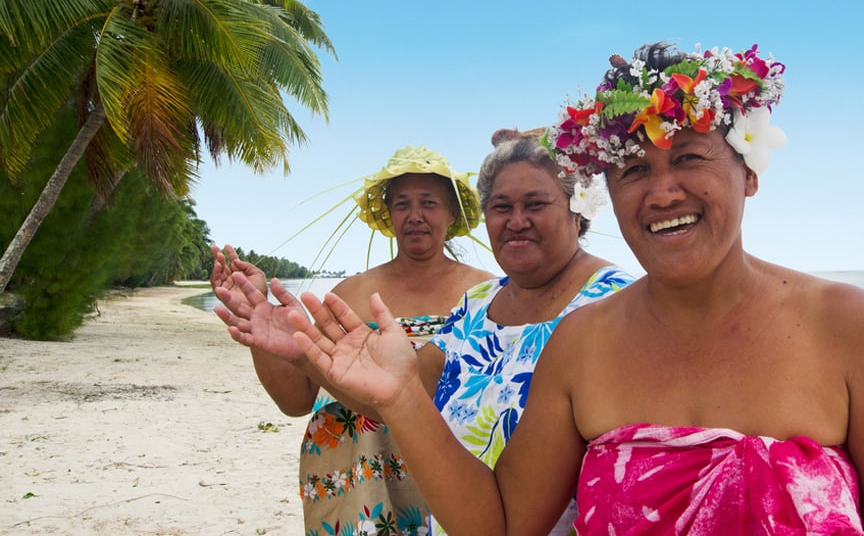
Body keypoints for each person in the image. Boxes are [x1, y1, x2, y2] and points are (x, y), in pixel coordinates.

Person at [291, 41, 864, 535]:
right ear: (607, 189)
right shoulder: (583, 344)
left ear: (748, 171)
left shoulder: (851, 330)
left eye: (689, 156)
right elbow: (501, 525)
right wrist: (403, 397)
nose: (662, 192)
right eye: (633, 169)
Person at [219, 132, 635, 535]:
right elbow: (404, 398)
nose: (516, 220)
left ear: (578, 208)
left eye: (536, 203)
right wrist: (300, 354)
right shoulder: (478, 303)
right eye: (501, 206)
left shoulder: (614, 304)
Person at [210, 146, 494, 535]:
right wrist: (258, 326)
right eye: (402, 204)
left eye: (428, 202)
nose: (414, 215)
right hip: (357, 482)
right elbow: (296, 400)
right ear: (389, 213)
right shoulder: (351, 293)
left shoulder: (484, 293)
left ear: (452, 213)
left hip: (454, 472)